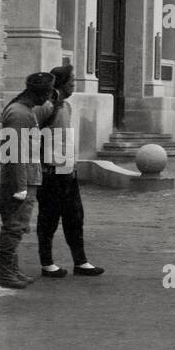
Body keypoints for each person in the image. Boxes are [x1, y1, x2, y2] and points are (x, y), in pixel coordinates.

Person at [37, 64, 103, 278]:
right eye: (72, 81)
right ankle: (47, 263)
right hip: (50, 173)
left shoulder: (66, 106)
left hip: (67, 172)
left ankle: (80, 262)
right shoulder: (46, 107)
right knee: (48, 219)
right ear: (62, 83)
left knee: (74, 216)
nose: (74, 84)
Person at [0, 72, 55, 288]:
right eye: (48, 93)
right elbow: (15, 152)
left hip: (27, 177)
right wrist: (20, 186)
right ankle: (4, 272)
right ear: (41, 93)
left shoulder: (25, 110)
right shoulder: (19, 113)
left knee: (18, 227)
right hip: (20, 180)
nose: (49, 98)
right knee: (14, 227)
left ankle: (11, 268)